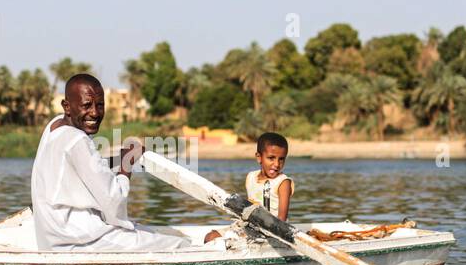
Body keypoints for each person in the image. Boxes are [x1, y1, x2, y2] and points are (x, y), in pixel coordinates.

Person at [30, 74, 204, 252]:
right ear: (67, 106)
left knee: (149, 233)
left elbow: (88, 168)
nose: (95, 113)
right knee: (179, 245)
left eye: (100, 105)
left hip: (53, 237)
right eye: (86, 105)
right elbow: (114, 199)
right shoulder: (77, 139)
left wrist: (120, 159)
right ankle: (211, 246)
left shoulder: (54, 126)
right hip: (80, 240)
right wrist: (126, 164)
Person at [202, 131, 294, 243]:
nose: (276, 164)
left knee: (226, 242)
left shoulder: (283, 182)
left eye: (281, 159)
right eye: (271, 158)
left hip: (271, 232)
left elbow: (282, 220)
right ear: (259, 157)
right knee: (210, 237)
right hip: (249, 226)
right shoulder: (251, 177)